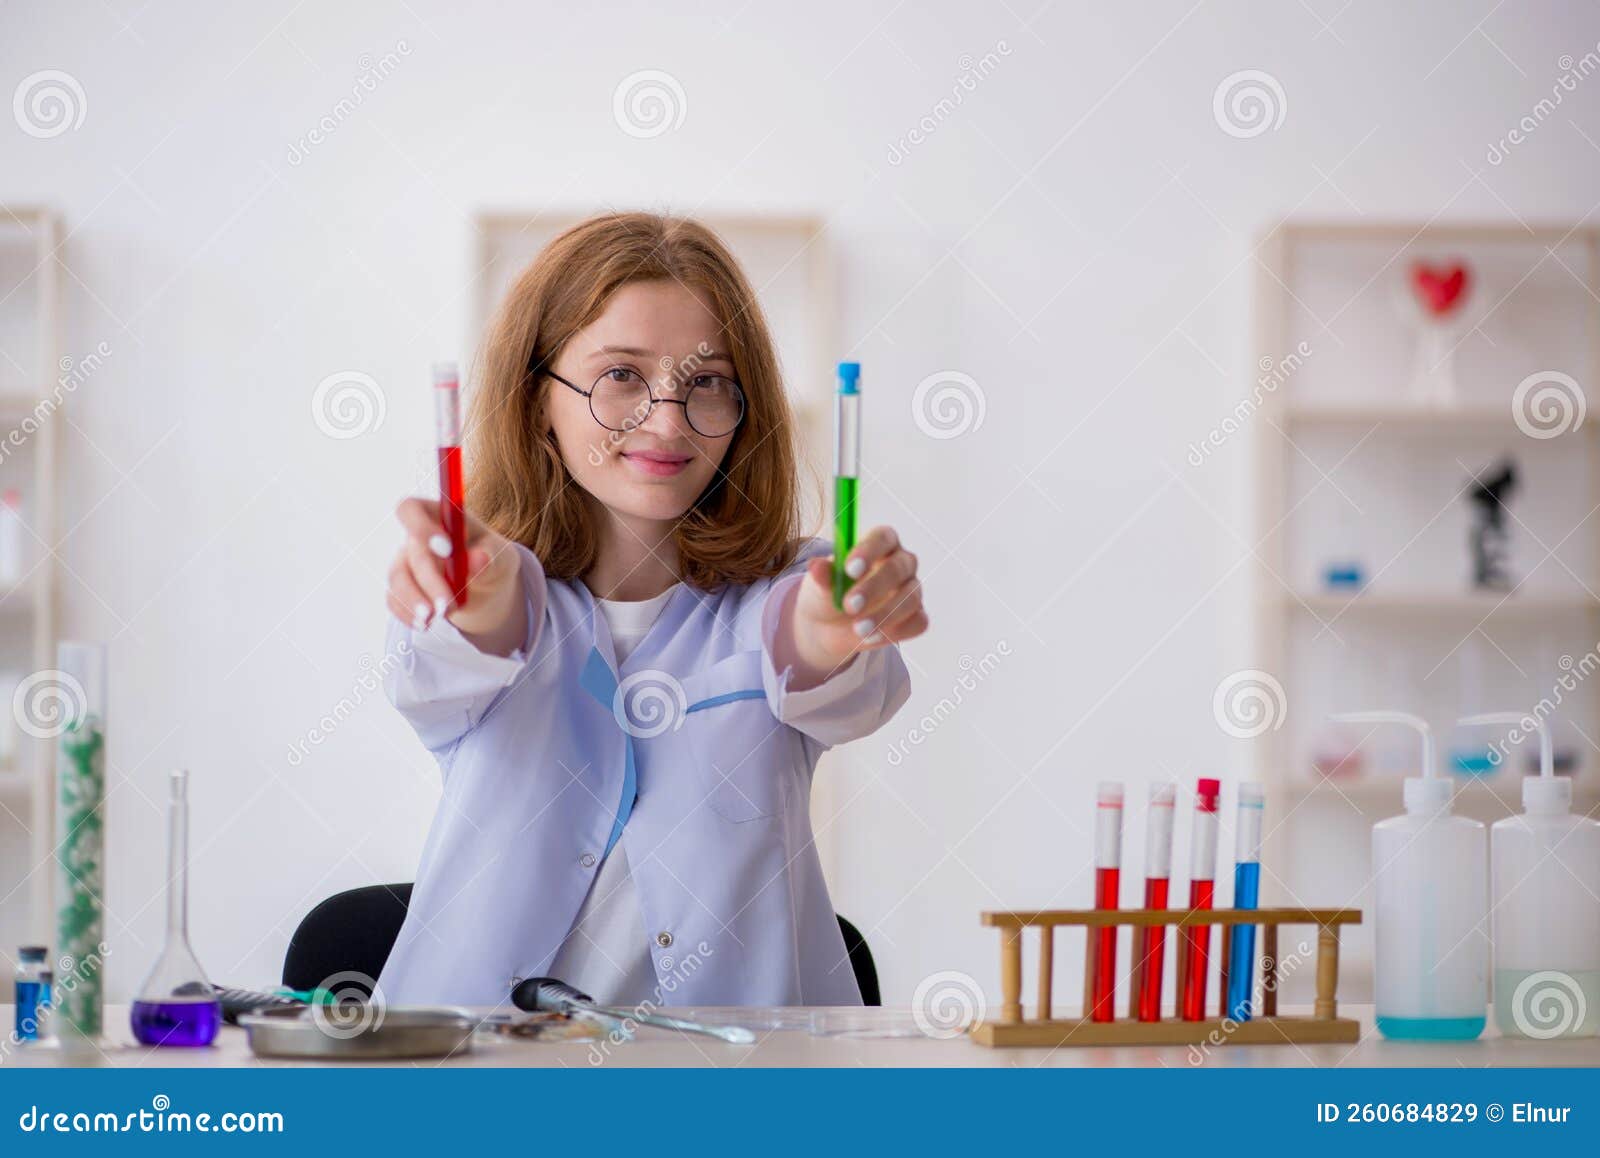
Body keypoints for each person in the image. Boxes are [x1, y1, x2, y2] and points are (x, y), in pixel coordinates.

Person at [378, 213, 926, 1007]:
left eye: (706, 382)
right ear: (539, 399)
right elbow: (466, 645)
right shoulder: (492, 591)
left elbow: (815, 655)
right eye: (622, 376)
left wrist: (832, 630)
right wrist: (477, 604)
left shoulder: (792, 591)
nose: (667, 421)